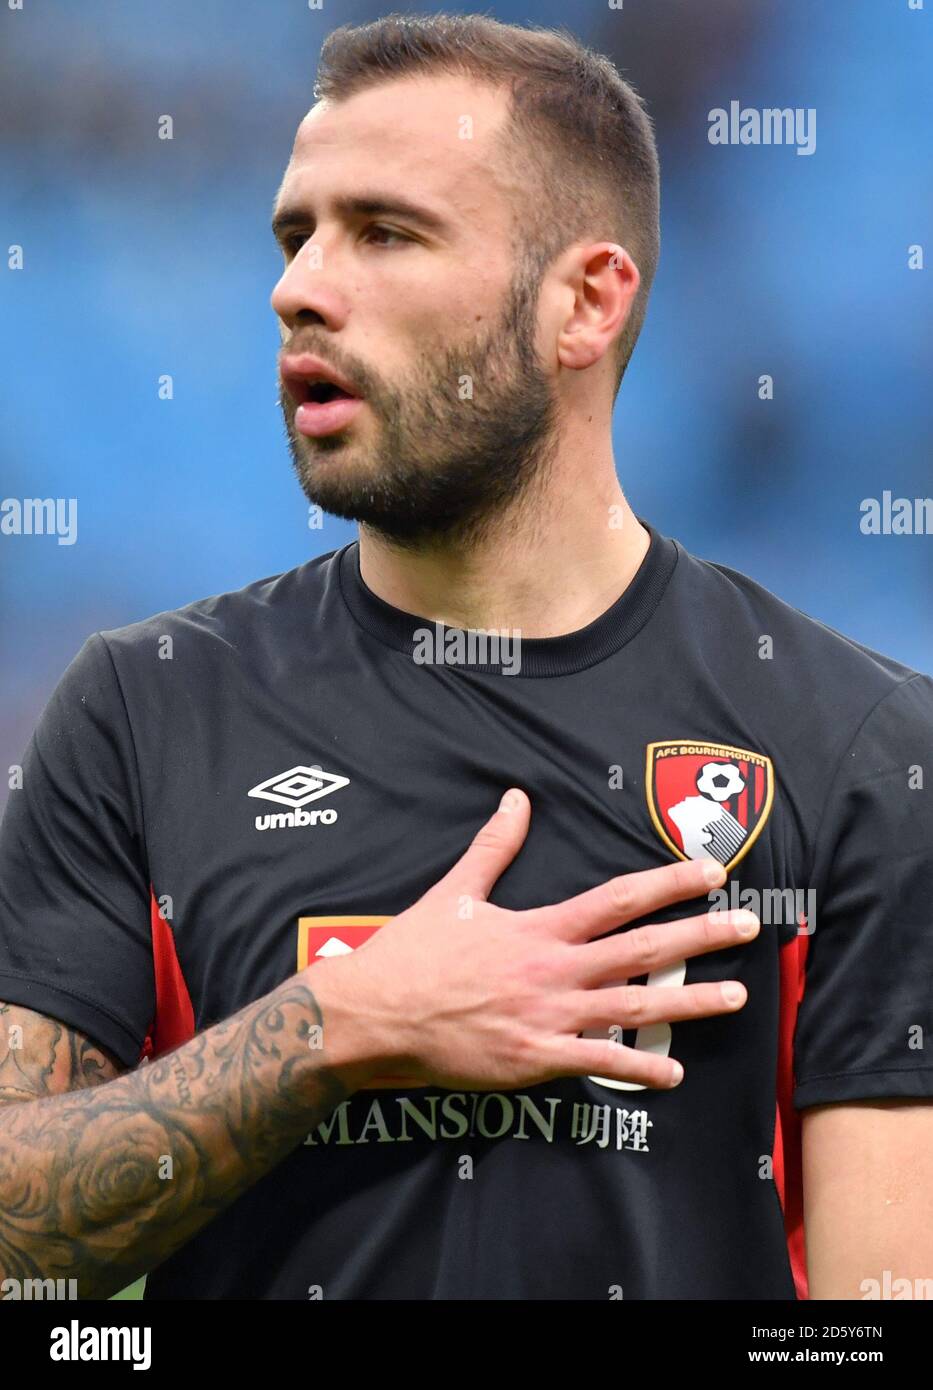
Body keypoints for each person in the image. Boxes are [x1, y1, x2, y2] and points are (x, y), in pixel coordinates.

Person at [0, 13, 930, 1301]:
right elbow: (13, 1241)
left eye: (384, 232)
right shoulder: (145, 712)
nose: (300, 286)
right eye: (295, 234)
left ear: (587, 302)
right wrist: (337, 1030)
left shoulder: (856, 747)